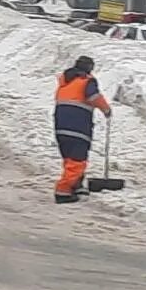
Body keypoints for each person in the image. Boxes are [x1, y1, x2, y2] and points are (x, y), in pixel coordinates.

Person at [53, 56, 111, 204]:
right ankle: (63, 191)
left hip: (61, 125)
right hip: (77, 125)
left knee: (69, 158)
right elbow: (93, 97)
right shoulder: (86, 81)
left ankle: (76, 184)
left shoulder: (66, 82)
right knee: (77, 159)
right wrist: (106, 109)